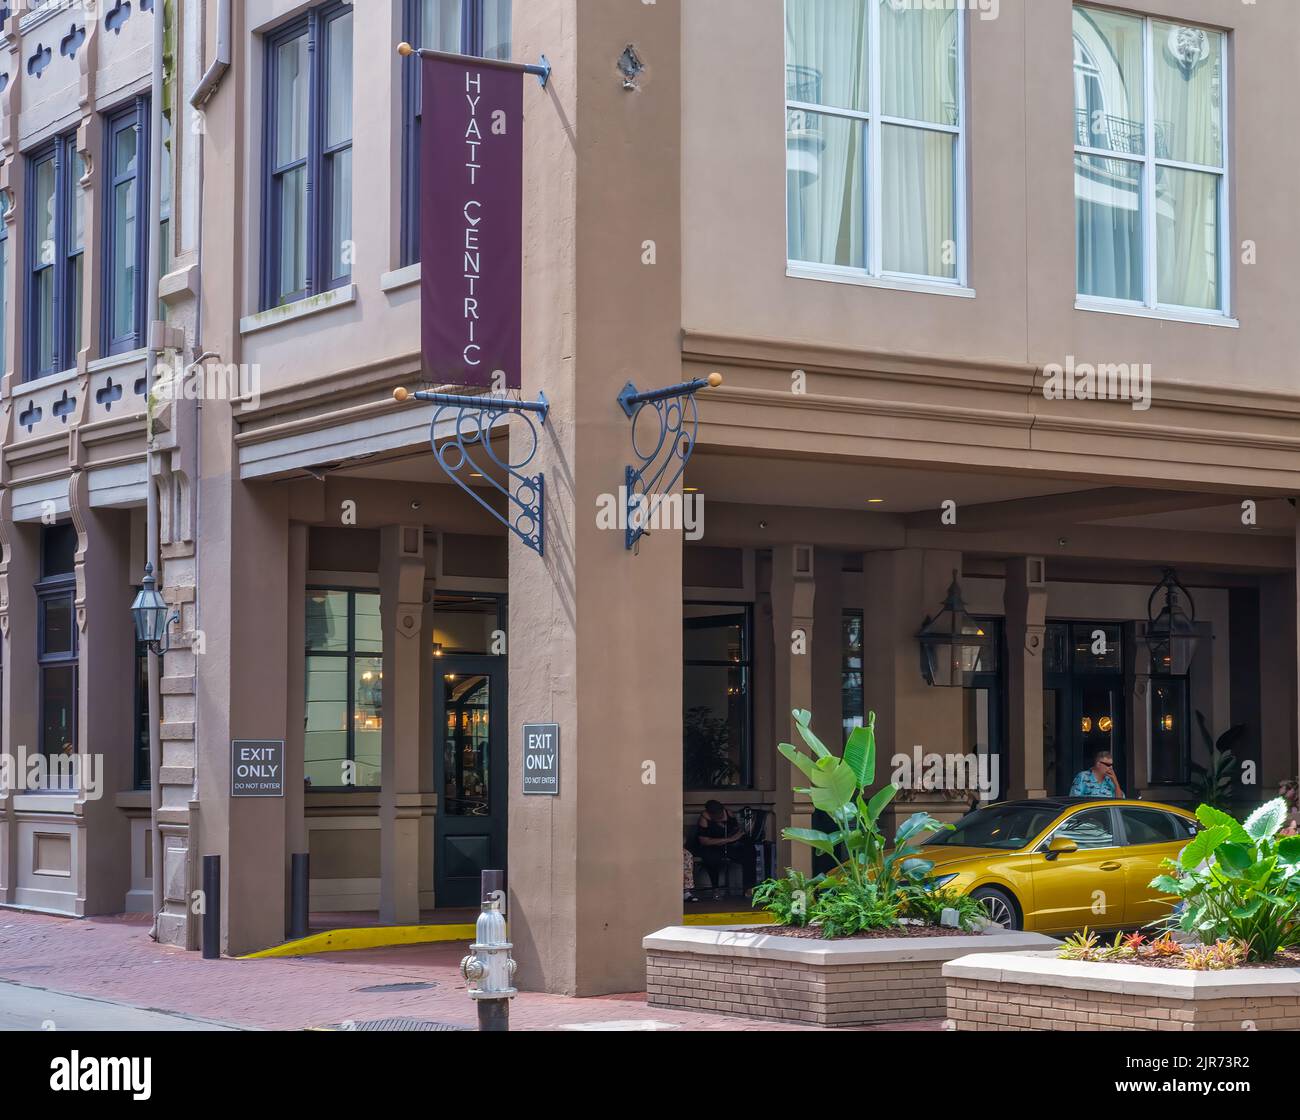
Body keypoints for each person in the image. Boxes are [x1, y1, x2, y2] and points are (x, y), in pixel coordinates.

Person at [692, 800, 757, 897]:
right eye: (717, 816)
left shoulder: (728, 813)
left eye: (721, 814)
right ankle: (715, 889)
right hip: (713, 847)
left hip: (729, 846)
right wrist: (728, 839)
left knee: (749, 853)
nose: (720, 817)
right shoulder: (704, 819)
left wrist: (741, 833)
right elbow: (704, 841)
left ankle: (749, 888)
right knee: (711, 858)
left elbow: (736, 831)